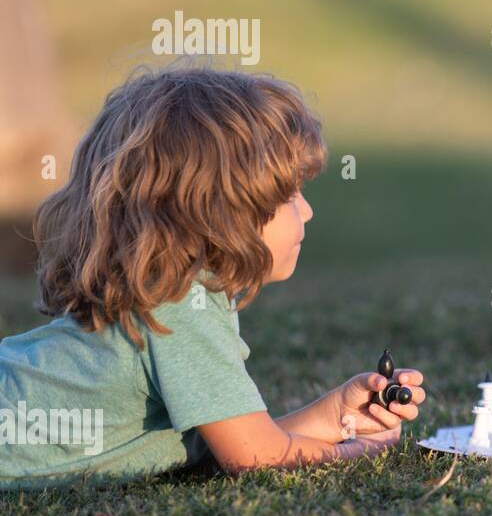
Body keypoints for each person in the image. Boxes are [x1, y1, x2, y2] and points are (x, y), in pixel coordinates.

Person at [0, 64, 425, 489]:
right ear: (222, 211)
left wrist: (339, 418)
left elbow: (239, 440)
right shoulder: (178, 305)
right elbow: (255, 457)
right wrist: (355, 452)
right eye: (290, 194)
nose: (308, 211)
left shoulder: (172, 295)